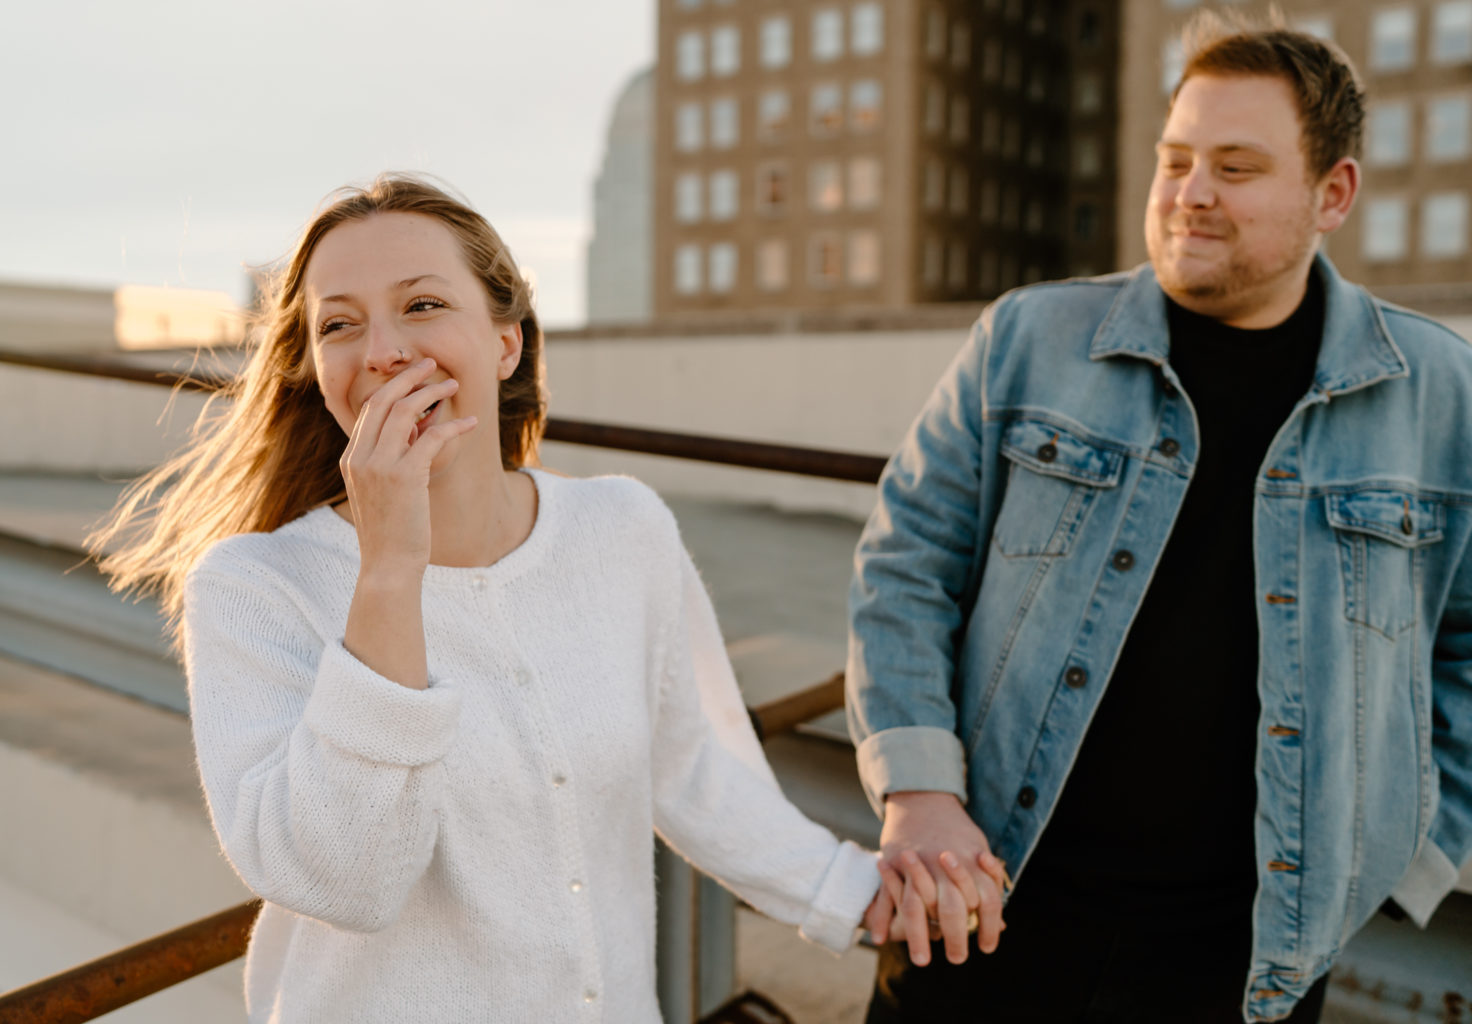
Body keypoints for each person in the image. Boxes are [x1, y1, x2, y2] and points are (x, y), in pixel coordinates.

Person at [91, 174, 910, 1022]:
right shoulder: (251, 588)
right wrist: (389, 569)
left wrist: (862, 897)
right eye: (339, 324)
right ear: (315, 368)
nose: (382, 350)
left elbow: (693, 766)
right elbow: (345, 880)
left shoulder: (622, 528)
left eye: (421, 305)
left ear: (507, 342)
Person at [846, 17, 1472, 1024]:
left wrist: (1409, 851)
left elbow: (1469, 651)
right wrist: (918, 792)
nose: (1191, 193)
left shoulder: (1438, 395)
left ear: (1334, 193)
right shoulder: (1026, 341)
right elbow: (906, 567)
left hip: (1244, 962)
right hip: (977, 905)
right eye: (1176, 160)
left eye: (1236, 166)